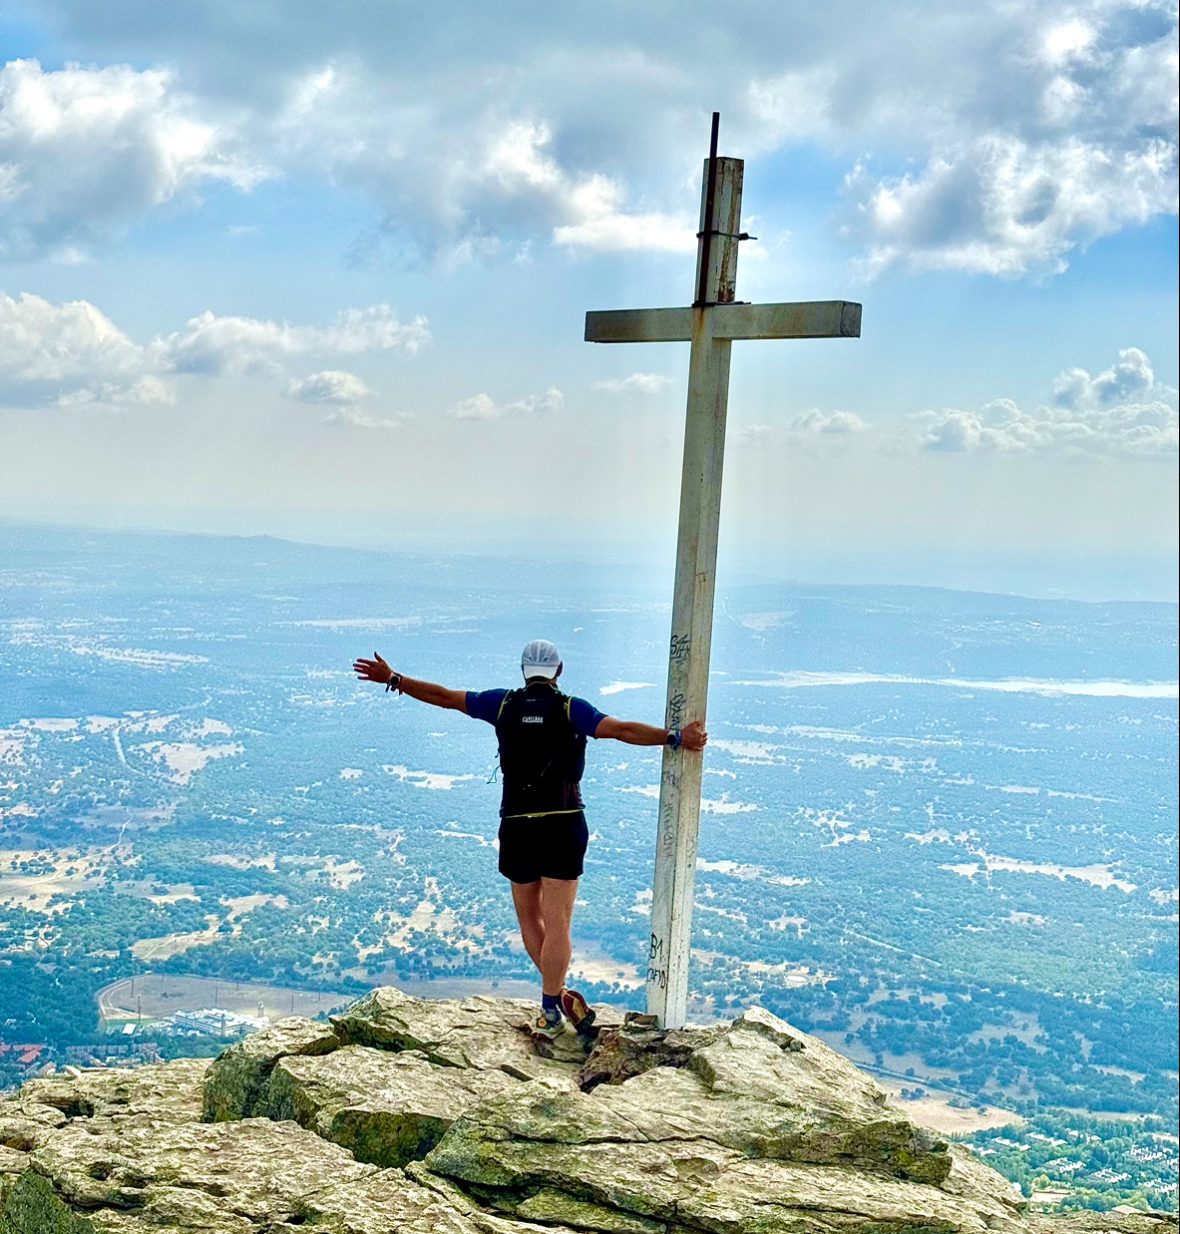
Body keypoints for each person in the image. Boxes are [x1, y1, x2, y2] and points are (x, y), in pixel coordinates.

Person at [352, 638, 707, 1040]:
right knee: (559, 923)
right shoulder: (573, 709)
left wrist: (394, 678)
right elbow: (622, 730)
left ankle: (554, 1002)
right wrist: (676, 737)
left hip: (517, 825)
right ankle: (551, 1006)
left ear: (524, 671)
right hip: (564, 823)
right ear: (559, 671)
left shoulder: (501, 704)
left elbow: (445, 697)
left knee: (529, 919)